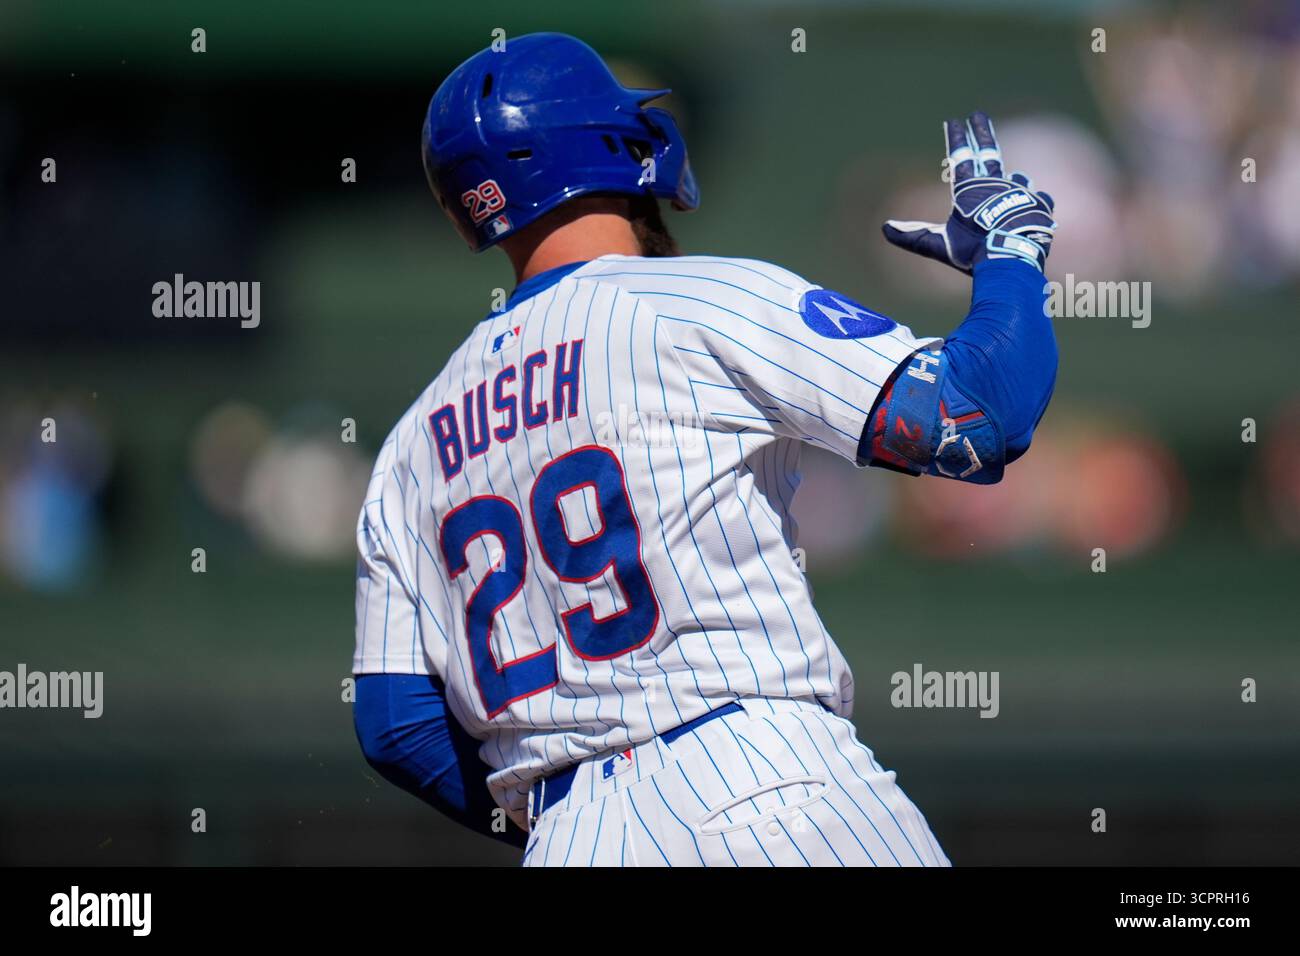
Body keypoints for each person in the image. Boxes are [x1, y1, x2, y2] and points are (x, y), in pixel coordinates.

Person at [352, 32, 1057, 866]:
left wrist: (567, 823)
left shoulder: (409, 445)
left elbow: (396, 724)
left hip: (567, 834)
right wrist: (1012, 260)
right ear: (616, 144)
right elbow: (975, 420)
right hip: (767, 789)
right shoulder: (697, 301)